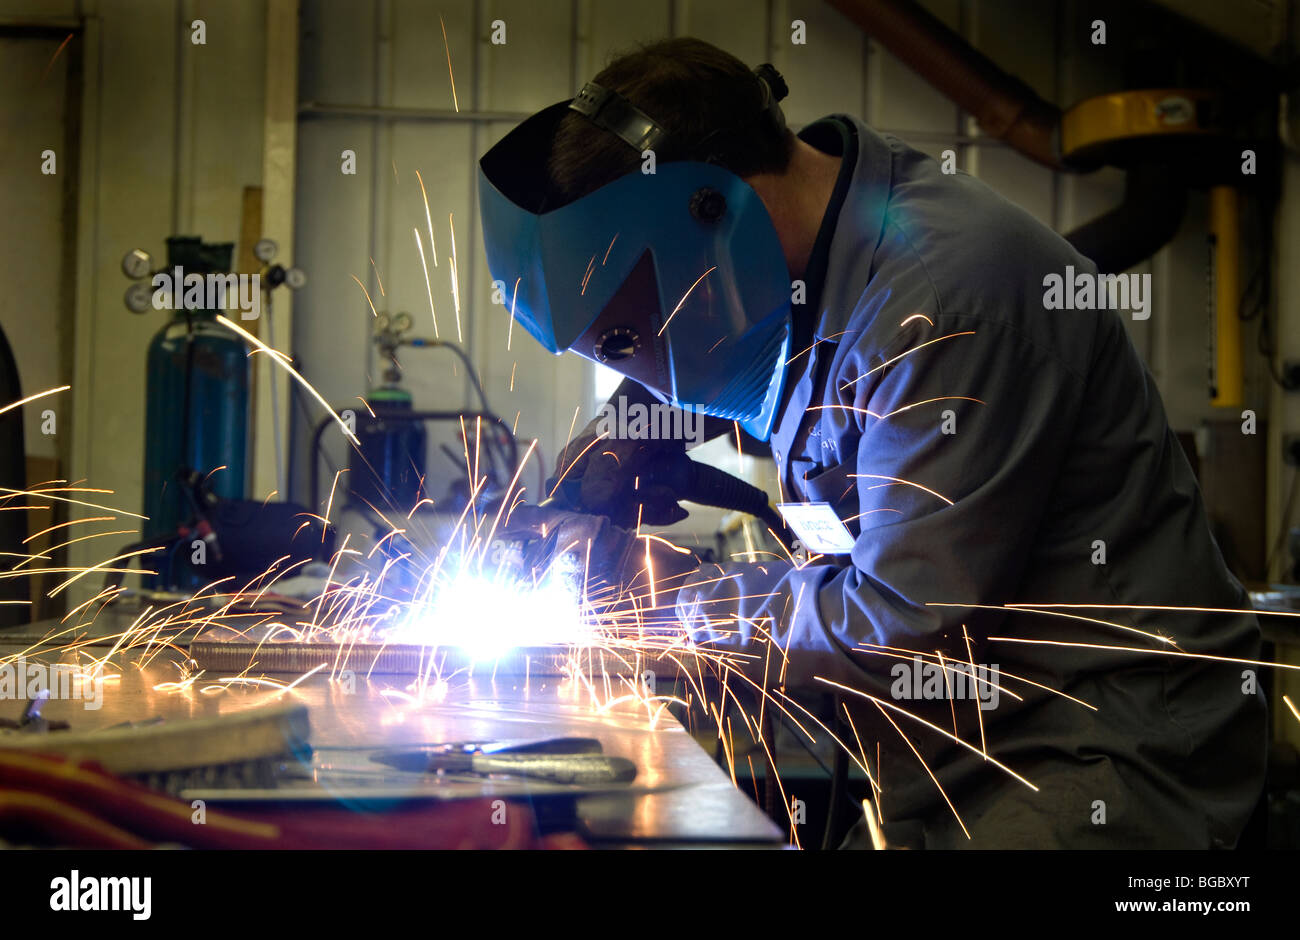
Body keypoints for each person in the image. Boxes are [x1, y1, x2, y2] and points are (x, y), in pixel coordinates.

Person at [477, 38, 1267, 848]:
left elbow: (902, 626)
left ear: (712, 217)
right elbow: (780, 369)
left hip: (1112, 758)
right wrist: (629, 433)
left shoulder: (941, 300)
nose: (653, 367)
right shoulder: (804, 257)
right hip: (956, 758)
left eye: (634, 337)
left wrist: (655, 600)